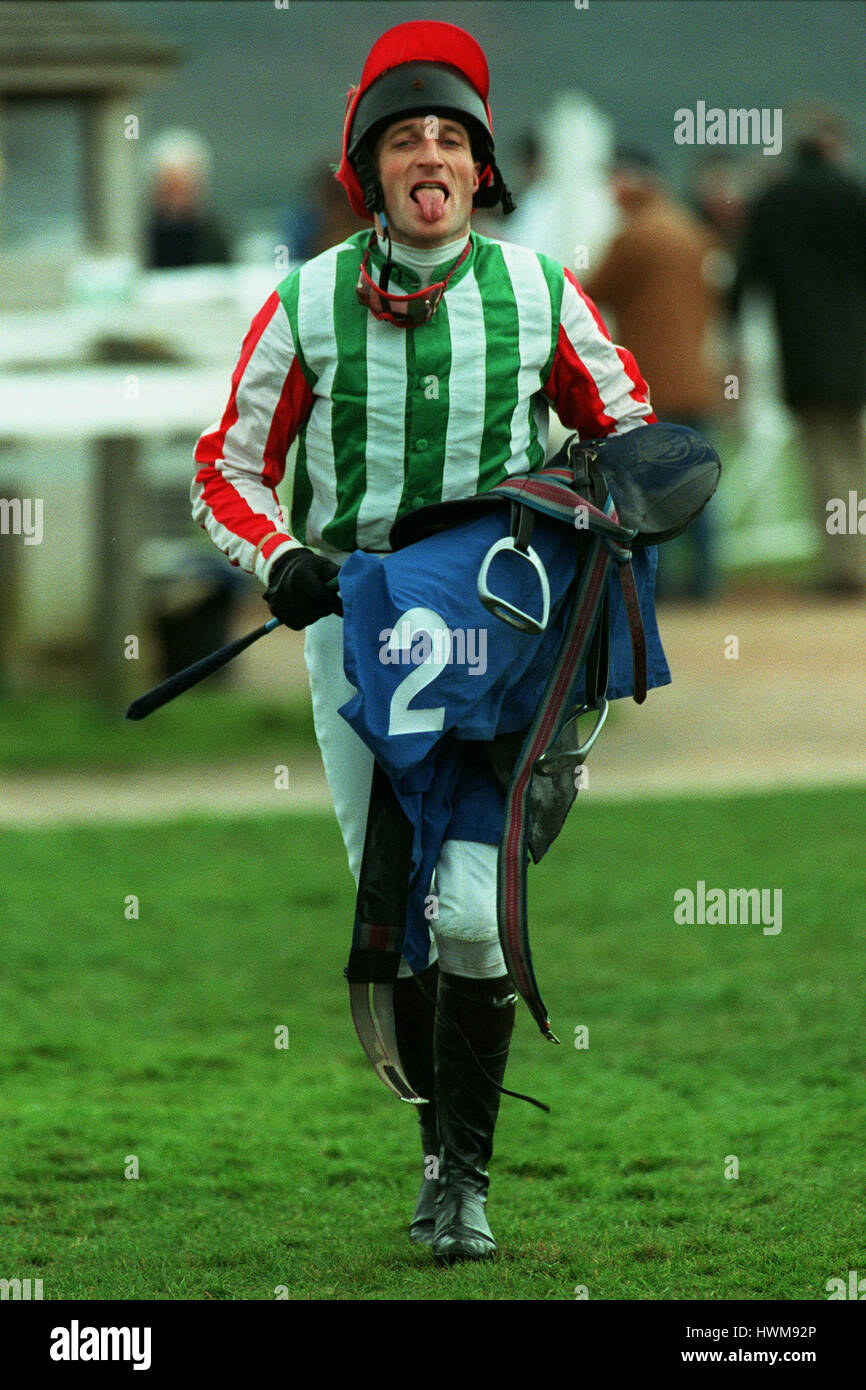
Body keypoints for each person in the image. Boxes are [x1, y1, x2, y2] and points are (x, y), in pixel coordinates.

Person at [190, 20, 656, 1263]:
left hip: (498, 642)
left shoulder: (540, 290)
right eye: (406, 138)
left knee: (471, 916)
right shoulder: (300, 305)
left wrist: (600, 506)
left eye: (450, 136)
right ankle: (434, 1159)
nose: (431, 156)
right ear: (371, 167)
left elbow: (628, 429)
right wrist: (280, 558)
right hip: (358, 645)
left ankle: (461, 1183)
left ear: (480, 166)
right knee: (393, 907)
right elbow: (228, 472)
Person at [733, 105, 866, 595]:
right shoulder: (853, 192)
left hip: (802, 351)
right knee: (853, 457)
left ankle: (845, 569)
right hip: (854, 351)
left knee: (825, 462)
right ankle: (856, 561)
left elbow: (747, 277)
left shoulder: (774, 200)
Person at [583, 147, 724, 600]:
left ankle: (655, 583)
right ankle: (706, 580)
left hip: (650, 380)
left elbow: (589, 293)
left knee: (648, 487)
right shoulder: (692, 230)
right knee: (697, 479)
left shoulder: (634, 236)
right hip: (695, 375)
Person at [144, 129, 232, 270]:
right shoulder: (140, 240)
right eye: (169, 190)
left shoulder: (213, 238)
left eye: (183, 191)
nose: (176, 202)